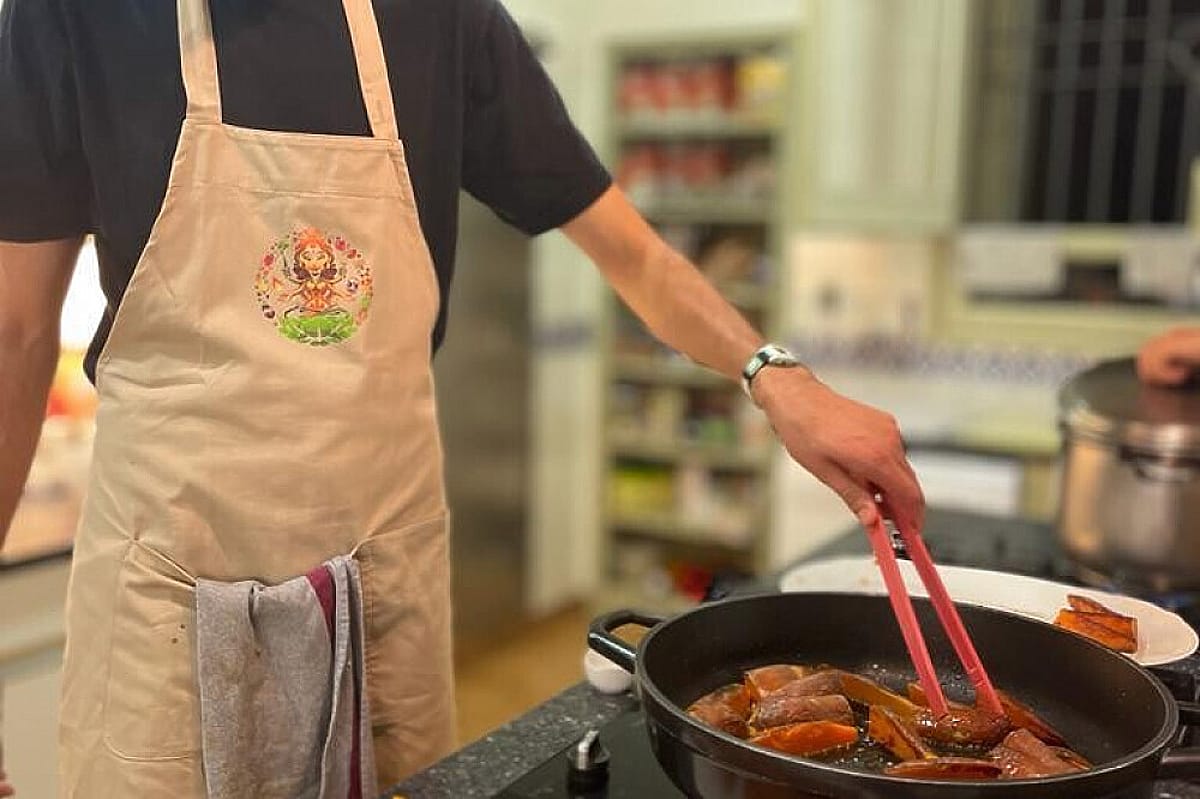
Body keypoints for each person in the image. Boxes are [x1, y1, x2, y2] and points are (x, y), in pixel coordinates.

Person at [0, 0, 925, 795]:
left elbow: (635, 255)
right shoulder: (73, 12)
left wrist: (775, 374)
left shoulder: (437, 14)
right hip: (168, 581)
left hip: (381, 570)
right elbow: (16, 330)